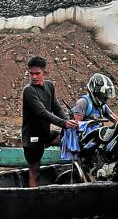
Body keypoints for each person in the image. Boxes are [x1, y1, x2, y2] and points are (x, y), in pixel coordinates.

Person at [22, 56, 77, 188]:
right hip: (32, 138)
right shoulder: (29, 91)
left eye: (37, 73)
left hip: (45, 134)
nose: (34, 77)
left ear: (44, 73)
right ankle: (32, 199)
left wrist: (68, 122)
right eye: (31, 74)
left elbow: (56, 107)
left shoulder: (49, 86)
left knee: (65, 138)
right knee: (34, 172)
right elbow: (42, 112)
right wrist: (63, 124)